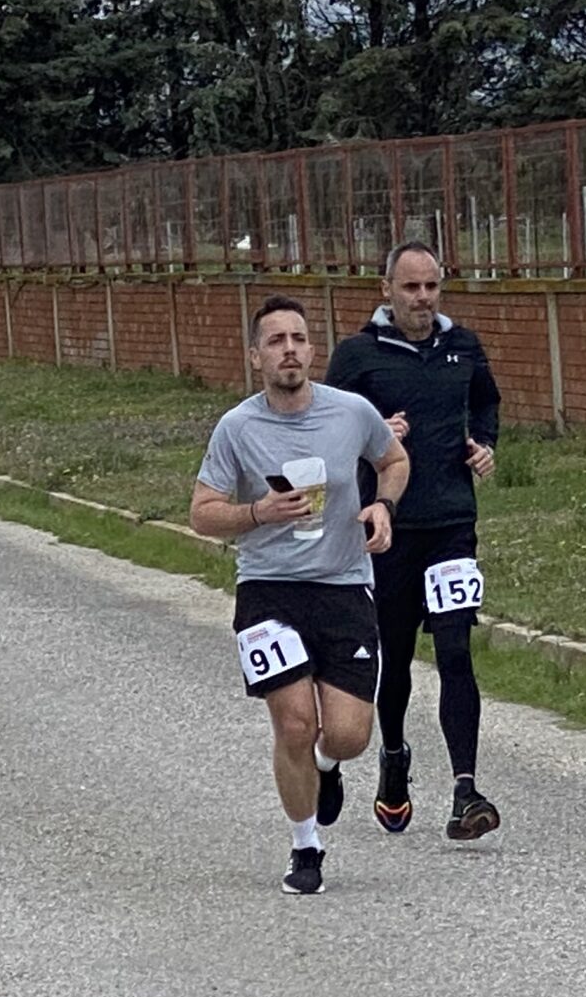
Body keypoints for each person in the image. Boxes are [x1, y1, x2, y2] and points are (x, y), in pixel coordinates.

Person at [189, 295, 408, 897]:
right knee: (293, 723)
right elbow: (202, 515)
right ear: (256, 355)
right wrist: (258, 511)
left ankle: (327, 768)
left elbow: (393, 458)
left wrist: (382, 506)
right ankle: (305, 846)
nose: (290, 349)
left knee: (347, 735)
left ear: (313, 350)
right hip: (269, 590)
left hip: (342, 585)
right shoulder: (238, 427)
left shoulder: (351, 412)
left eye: (299, 339)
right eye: (277, 340)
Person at [325, 242, 504, 840]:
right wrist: (374, 432)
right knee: (394, 657)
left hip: (452, 520)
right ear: (387, 290)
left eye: (431, 287)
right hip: (387, 527)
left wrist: (482, 442)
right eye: (410, 288)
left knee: (455, 651)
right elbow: (325, 430)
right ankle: (394, 757)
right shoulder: (357, 357)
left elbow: (486, 400)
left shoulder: (464, 347)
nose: (422, 299)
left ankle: (465, 791)